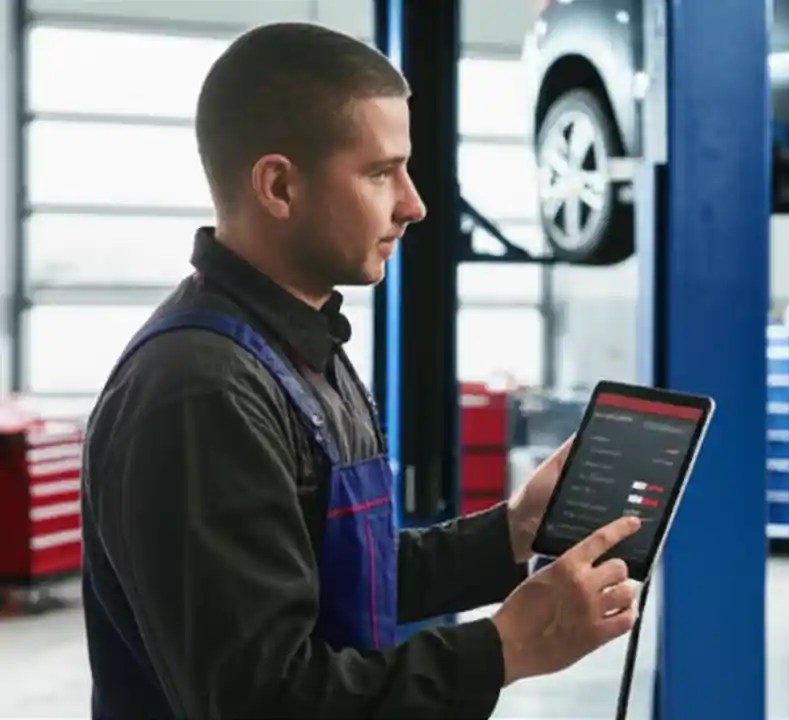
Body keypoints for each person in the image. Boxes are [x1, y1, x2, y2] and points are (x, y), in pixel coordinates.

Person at [80, 22, 640, 720]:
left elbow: (338, 579)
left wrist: (512, 531)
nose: (414, 203)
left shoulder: (300, 347)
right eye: (380, 172)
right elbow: (264, 701)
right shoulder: (202, 390)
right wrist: (503, 648)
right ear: (279, 186)